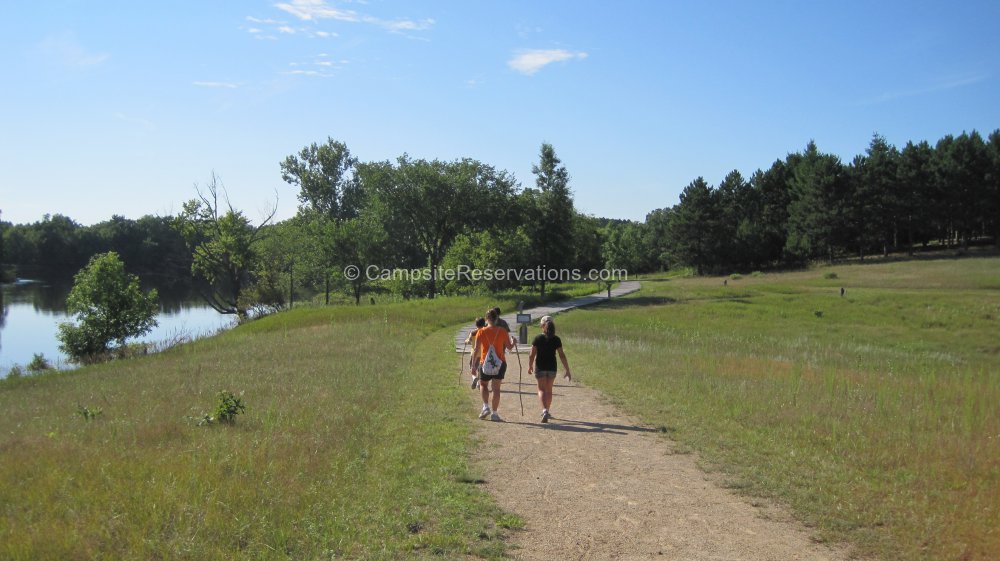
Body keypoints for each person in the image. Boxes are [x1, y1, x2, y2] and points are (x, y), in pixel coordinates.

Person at [470, 308, 513, 421]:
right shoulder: (503, 331)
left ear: (486, 319)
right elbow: (509, 347)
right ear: (496, 318)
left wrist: (473, 365)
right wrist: (514, 342)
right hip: (500, 362)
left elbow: (476, 349)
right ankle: (494, 413)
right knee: (496, 388)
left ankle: (485, 406)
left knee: (483, 385)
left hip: (484, 362)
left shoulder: (481, 331)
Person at [527, 315, 572, 423]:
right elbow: (562, 355)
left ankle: (544, 411)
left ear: (543, 326)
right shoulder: (556, 339)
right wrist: (567, 370)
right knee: (549, 389)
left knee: (541, 389)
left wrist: (530, 366)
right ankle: (547, 410)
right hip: (552, 367)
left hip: (540, 367)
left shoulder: (538, 338)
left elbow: (532, 354)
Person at [465, 317, 487, 388]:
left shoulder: (473, 332)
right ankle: (478, 383)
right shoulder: (485, 332)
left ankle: (474, 378)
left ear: (476, 324)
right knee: (480, 368)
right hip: (483, 353)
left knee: (472, 366)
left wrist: (466, 341)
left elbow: (469, 340)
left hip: (474, 353)